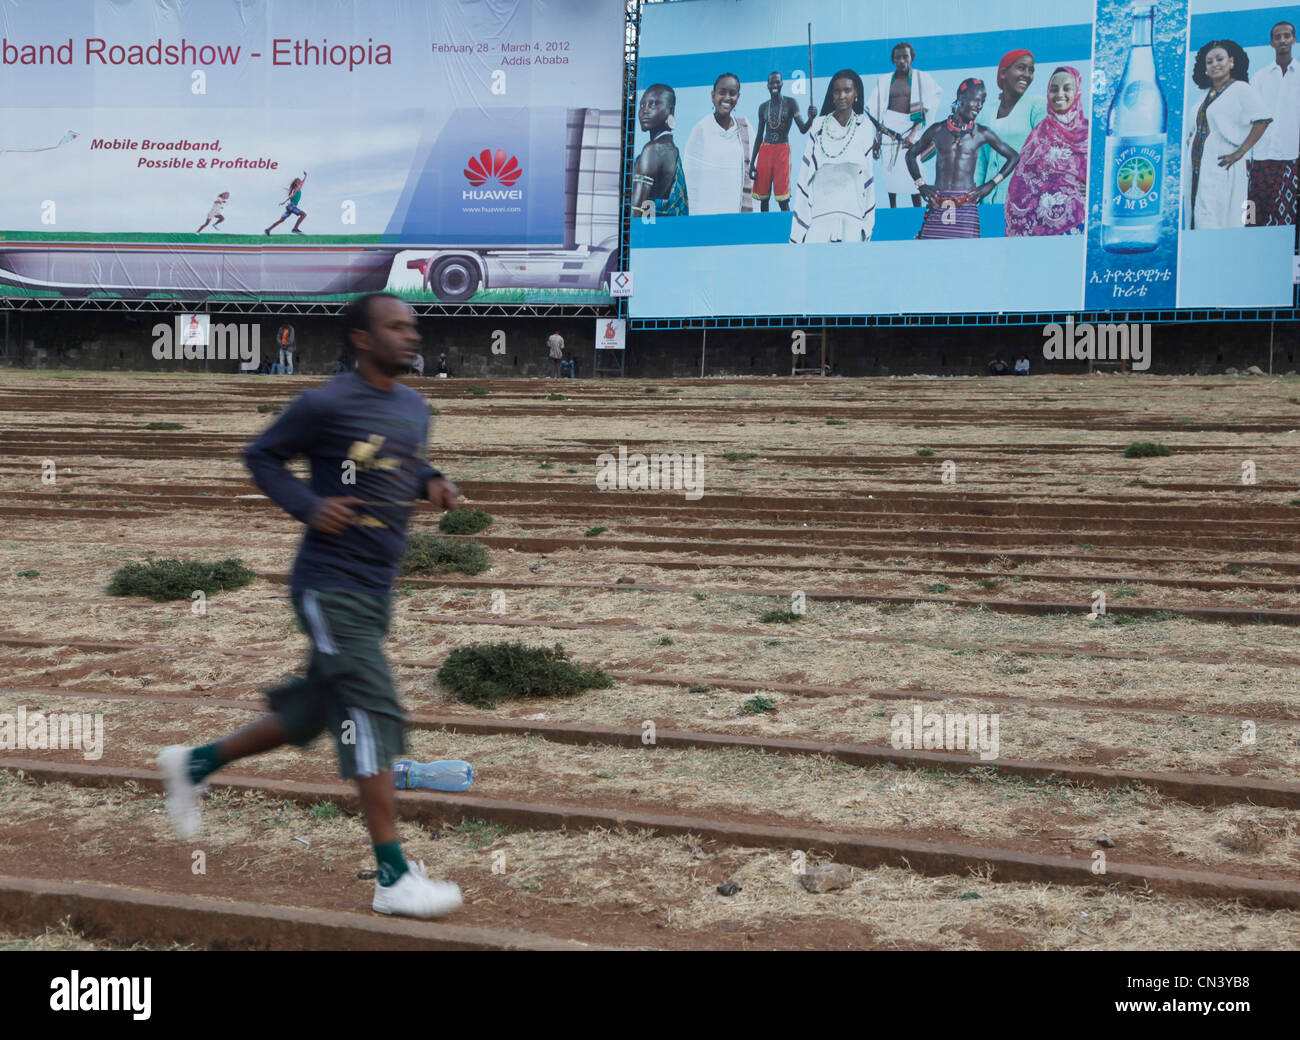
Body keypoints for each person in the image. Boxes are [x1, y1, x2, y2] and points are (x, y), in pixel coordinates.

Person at [157, 292, 464, 920]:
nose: (411, 336)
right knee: (372, 712)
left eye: (414, 326)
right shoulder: (324, 404)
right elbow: (261, 456)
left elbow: (403, 459)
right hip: (329, 589)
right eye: (396, 327)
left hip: (375, 591)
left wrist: (432, 481)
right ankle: (392, 876)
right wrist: (309, 506)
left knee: (308, 715)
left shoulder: (412, 405)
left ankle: (194, 764)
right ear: (361, 338)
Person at [909, 78, 1018, 240]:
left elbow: (1013, 157)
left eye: (983, 101)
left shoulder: (982, 133)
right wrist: (921, 185)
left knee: (968, 258)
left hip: (966, 204)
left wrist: (990, 184)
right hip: (938, 202)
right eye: (976, 100)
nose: (979, 105)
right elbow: (910, 154)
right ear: (961, 97)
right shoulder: (938, 130)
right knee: (930, 255)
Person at [1185, 39, 1271, 229]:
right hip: (1199, 167)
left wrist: (1240, 152)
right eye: (1209, 61)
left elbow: (1263, 120)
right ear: (1205, 68)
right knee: (1197, 215)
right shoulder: (1205, 94)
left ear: (1231, 61)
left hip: (1222, 165)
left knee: (1218, 218)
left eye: (1219, 59)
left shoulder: (1241, 89)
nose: (1215, 64)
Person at [790, 69, 876, 243]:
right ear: (831, 94)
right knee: (817, 267)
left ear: (856, 93)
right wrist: (800, 227)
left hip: (852, 214)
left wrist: (867, 224)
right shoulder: (819, 125)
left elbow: (868, 179)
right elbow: (806, 174)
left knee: (850, 268)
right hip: (820, 214)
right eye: (837, 91)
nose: (842, 96)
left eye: (847, 90)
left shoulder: (863, 125)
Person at [1004, 67, 1089, 236]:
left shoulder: (1089, 132)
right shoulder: (1039, 133)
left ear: (1077, 91)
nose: (1060, 94)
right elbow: (1022, 181)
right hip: (1040, 229)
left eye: (1067, 88)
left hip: (1079, 224)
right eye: (1054, 89)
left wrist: (1092, 185)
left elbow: (1102, 175)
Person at [865, 42, 943, 208]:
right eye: (898, 57)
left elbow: (931, 100)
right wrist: (877, 139)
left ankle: (918, 209)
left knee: (913, 172)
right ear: (893, 60)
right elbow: (877, 113)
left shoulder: (921, 78)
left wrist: (913, 134)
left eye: (905, 56)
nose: (901, 60)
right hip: (888, 131)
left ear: (911, 58)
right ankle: (893, 209)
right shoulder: (885, 81)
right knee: (889, 172)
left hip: (910, 128)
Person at [973, 50, 1045, 208]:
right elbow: (979, 162)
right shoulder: (985, 113)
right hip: (988, 204)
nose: (1027, 74)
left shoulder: (1036, 105)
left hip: (1024, 204)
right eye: (1021, 68)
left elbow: (1047, 150)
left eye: (1031, 70)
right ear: (1004, 72)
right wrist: (971, 198)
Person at [1247, 21, 1299, 227]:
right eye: (1278, 37)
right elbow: (1250, 118)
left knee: (1288, 218)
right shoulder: (1260, 77)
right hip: (1260, 157)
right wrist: (1246, 156)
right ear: (1271, 43)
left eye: (1287, 36)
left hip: (1290, 158)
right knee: (1251, 216)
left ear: (1294, 39)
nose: (1282, 40)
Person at [684, 73, 753, 214]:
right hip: (706, 217)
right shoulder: (702, 129)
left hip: (737, 217)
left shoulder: (745, 128)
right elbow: (690, 181)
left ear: (738, 98)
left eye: (732, 93)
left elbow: (754, 175)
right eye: (722, 92)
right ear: (713, 96)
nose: (727, 98)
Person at [749, 71, 816, 212]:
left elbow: (803, 129)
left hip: (782, 152)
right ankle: (765, 229)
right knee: (763, 199)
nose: (774, 85)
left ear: (782, 83)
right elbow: (759, 135)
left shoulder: (790, 103)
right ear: (767, 85)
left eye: (777, 82)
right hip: (765, 152)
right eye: (771, 82)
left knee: (783, 199)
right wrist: (752, 163)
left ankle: (788, 230)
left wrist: (811, 118)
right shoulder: (763, 107)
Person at [631, 84, 688, 219]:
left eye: (653, 104)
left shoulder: (652, 150)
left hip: (647, 234)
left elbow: (636, 210)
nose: (645, 110)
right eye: (642, 105)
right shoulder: (671, 149)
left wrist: (629, 237)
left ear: (670, 110)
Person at [265, 171, 308, 235]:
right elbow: (291, 196)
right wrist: (284, 202)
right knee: (304, 214)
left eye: (300, 182)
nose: (301, 182)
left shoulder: (299, 188)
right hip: (291, 206)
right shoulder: (296, 189)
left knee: (281, 220)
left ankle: (268, 230)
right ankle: (295, 229)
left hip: (290, 207)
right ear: (296, 183)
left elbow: (303, 182)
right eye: (299, 182)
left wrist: (305, 175)